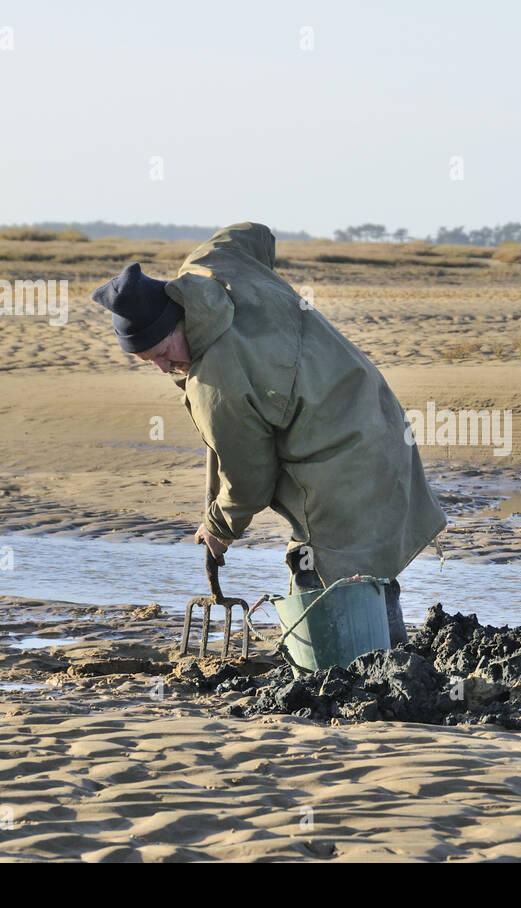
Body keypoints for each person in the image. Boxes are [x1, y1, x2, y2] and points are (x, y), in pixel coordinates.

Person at [91, 222, 445, 645]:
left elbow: (249, 482)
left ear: (178, 321)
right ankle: (394, 656)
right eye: (150, 362)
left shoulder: (215, 384)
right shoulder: (213, 269)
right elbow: (253, 235)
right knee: (367, 565)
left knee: (323, 573)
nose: (164, 368)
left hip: (343, 460)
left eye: (164, 353)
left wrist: (218, 526)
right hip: (378, 416)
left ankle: (350, 671)